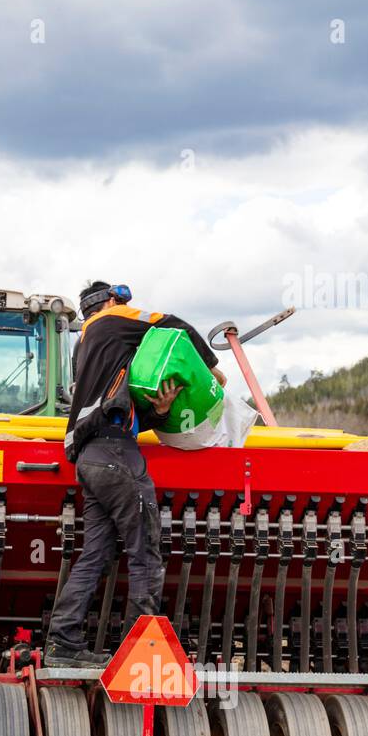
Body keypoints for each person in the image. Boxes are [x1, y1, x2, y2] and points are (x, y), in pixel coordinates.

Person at [44, 281, 226, 667]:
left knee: (95, 552)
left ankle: (63, 643)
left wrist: (160, 411)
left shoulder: (88, 347)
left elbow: (118, 404)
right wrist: (213, 370)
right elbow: (173, 326)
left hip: (90, 457)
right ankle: (138, 654)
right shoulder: (113, 318)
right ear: (110, 301)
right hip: (116, 456)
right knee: (145, 551)